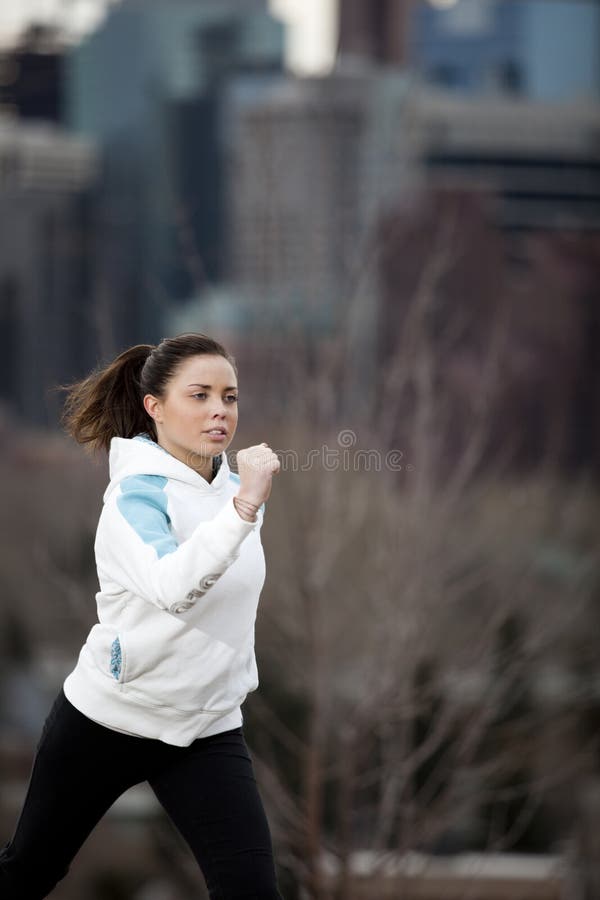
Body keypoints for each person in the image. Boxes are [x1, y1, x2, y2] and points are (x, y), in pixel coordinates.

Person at [0, 333, 284, 899]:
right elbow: (172, 585)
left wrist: (240, 502)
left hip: (205, 726)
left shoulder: (230, 488)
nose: (219, 411)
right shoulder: (135, 497)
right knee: (28, 873)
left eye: (229, 397)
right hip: (110, 719)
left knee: (251, 892)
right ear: (154, 407)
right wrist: (245, 507)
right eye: (199, 395)